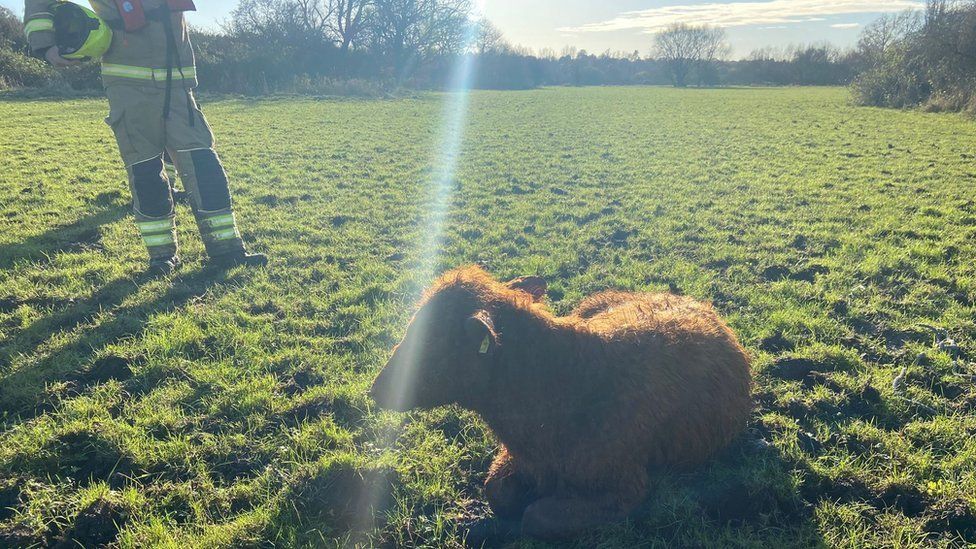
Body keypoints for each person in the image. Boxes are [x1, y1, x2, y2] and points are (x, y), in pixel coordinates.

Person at [23, 0, 267, 275]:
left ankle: (228, 251)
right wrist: (45, 45)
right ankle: (162, 258)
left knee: (204, 163)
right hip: (129, 85)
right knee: (146, 171)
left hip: (177, 84)